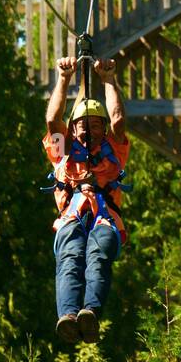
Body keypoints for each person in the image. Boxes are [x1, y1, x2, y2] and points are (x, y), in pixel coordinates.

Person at [44, 57, 130, 345]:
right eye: (82, 125)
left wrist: (108, 79)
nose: (89, 130)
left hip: (105, 217)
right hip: (72, 216)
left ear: (103, 129)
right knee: (70, 258)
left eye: (95, 125)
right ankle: (68, 316)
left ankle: (90, 312)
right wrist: (64, 78)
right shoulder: (64, 152)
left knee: (98, 257)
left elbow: (117, 117)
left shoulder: (114, 151)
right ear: (73, 128)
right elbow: (52, 120)